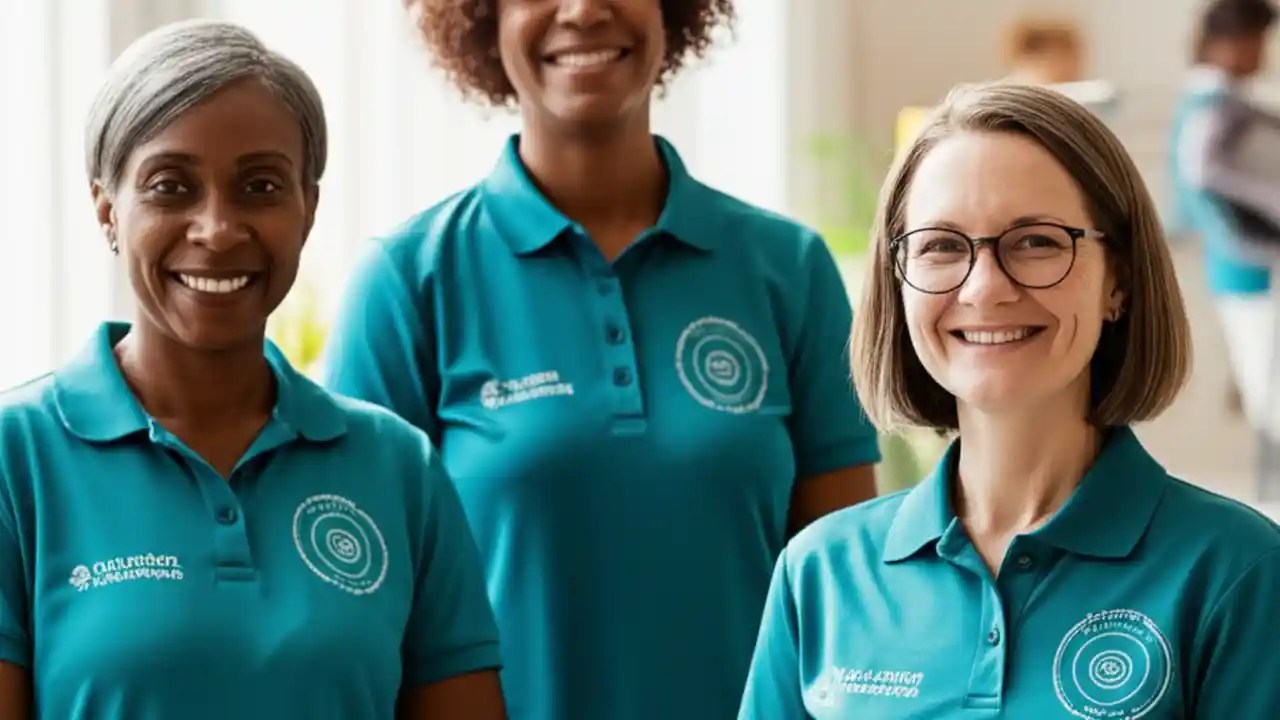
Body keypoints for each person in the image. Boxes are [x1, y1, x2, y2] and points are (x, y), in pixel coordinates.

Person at [322, 0, 881, 717]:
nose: (583, 10)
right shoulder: (407, 282)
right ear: (480, 18)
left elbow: (846, 606)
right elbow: (364, 624)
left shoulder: (788, 269)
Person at [0, 20, 506, 720]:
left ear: (307, 209)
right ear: (107, 209)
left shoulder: (398, 468)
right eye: (170, 187)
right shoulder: (15, 458)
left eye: (260, 185)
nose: (216, 229)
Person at [739, 82, 1280, 718]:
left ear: (1119, 283)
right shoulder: (819, 574)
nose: (985, 287)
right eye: (941, 245)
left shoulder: (1235, 572)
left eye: (1037, 241)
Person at [1171, 0, 1280, 438]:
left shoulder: (1216, 100)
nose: (1262, 55)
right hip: (1247, 263)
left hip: (1239, 261)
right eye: (1256, 42)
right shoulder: (1215, 104)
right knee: (1268, 388)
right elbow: (1203, 166)